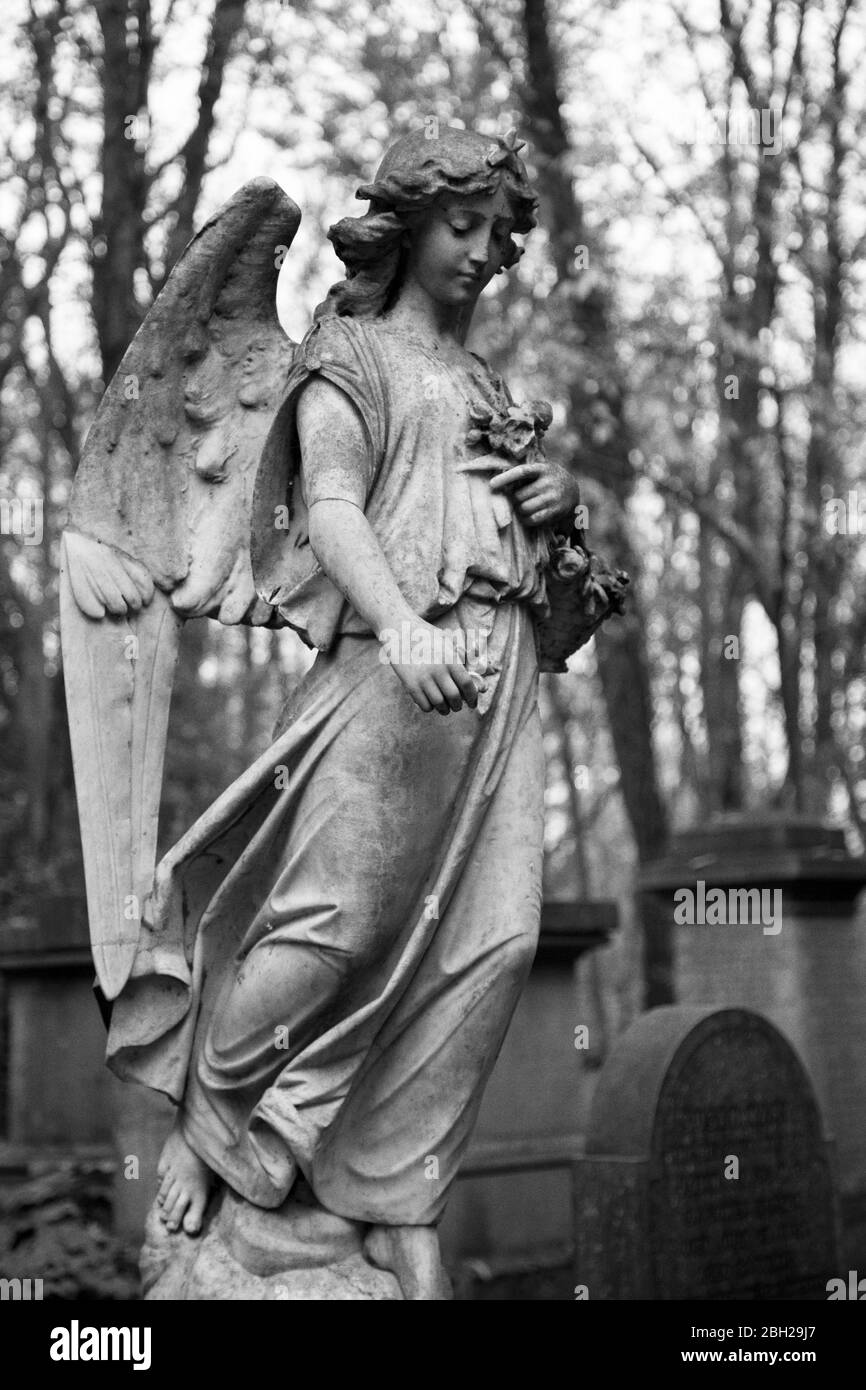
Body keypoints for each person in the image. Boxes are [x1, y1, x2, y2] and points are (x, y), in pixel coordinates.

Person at [145, 126, 580, 1299]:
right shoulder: (351, 353)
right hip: (394, 661)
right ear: (406, 223)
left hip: (501, 667)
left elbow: (554, 574)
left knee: (490, 944)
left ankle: (390, 1190)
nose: (484, 251)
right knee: (328, 926)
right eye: (461, 224)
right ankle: (211, 1118)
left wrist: (554, 506)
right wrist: (398, 623)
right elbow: (327, 508)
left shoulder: (490, 387)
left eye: (500, 231)